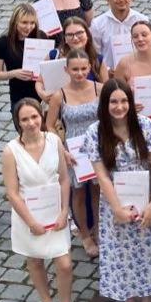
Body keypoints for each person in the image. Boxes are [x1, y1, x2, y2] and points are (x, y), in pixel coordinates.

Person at [82, 79, 151, 302]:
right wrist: (116, 209)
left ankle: (147, 296)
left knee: (146, 249)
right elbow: (101, 175)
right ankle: (129, 297)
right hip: (115, 199)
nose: (119, 106)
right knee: (122, 252)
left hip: (146, 197)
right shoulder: (95, 132)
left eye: (124, 101)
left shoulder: (144, 125)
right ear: (105, 104)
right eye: (114, 101)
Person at [2, 98, 81, 302]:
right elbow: (12, 193)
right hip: (29, 215)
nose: (31, 123)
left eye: (34, 117)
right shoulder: (10, 151)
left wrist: (65, 211)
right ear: (18, 122)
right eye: (25, 119)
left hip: (55, 211)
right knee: (35, 261)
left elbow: (64, 178)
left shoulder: (55, 141)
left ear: (41, 116)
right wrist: (31, 222)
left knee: (65, 264)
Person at [45, 50, 103, 258]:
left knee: (98, 189)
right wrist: (62, 149)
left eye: (83, 69)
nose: (80, 73)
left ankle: (99, 229)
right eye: (75, 69)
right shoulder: (60, 95)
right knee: (78, 193)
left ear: (89, 68)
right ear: (66, 69)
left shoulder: (99, 89)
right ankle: (85, 235)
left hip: (97, 146)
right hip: (74, 149)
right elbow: (49, 125)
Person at [36, 17, 109, 101]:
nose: (75, 38)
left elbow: (106, 89)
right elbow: (39, 81)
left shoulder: (97, 60)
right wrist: (42, 93)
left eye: (79, 33)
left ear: (87, 35)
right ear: (65, 39)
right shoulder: (54, 55)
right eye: (70, 35)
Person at [90, 0, 151, 70]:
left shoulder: (143, 20)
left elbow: (150, 49)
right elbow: (94, 54)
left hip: (139, 72)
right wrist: (106, 71)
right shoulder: (97, 24)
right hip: (110, 76)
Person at [0, 3, 46, 106]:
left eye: (32, 23)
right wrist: (14, 73)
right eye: (24, 23)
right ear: (15, 22)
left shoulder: (41, 36)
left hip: (42, 93)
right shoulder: (3, 43)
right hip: (20, 96)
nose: (29, 27)